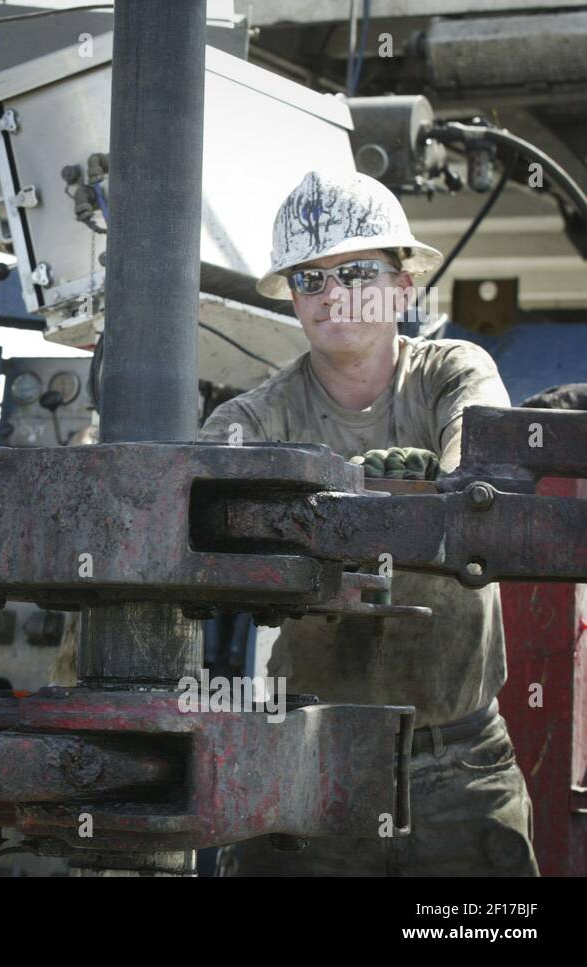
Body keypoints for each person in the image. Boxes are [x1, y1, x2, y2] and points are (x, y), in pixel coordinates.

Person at [201, 170, 538, 876]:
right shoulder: (254, 420)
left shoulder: (451, 373)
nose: (332, 296)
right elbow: (207, 517)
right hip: (312, 761)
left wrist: (417, 492)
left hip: (460, 763)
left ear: (403, 285)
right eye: (309, 278)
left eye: (355, 271)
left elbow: (482, 465)